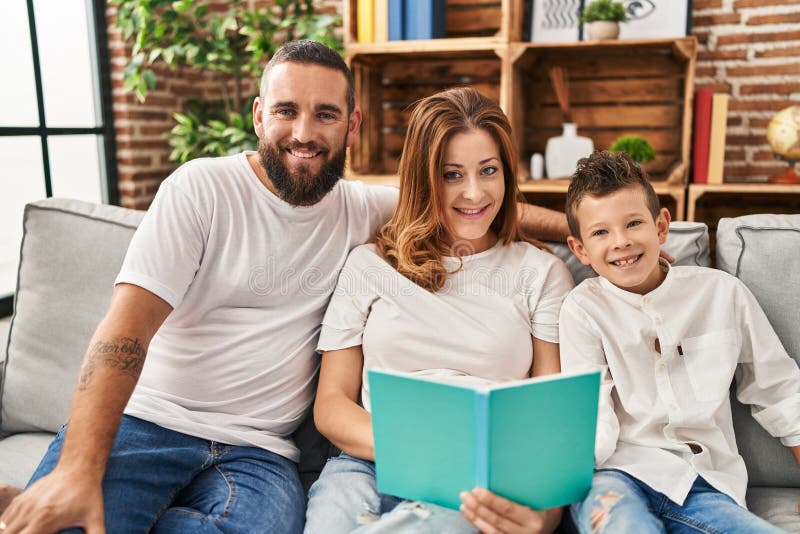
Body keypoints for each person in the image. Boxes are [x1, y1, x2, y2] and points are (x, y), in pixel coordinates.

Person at [0, 41, 568, 533]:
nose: (304, 133)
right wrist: (78, 468)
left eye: (325, 114)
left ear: (352, 124)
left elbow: (472, 203)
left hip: (259, 453)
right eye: (286, 111)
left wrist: (586, 231)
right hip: (150, 421)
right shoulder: (201, 189)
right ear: (258, 116)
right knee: (72, 517)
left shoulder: (361, 209)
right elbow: (123, 330)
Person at [303, 87, 573, 534]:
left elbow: (550, 419)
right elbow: (332, 405)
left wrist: (544, 516)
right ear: (423, 178)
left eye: (489, 170)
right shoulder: (369, 265)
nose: (473, 192)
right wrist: (419, 447)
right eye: (451, 174)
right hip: (369, 463)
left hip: (479, 477)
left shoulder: (540, 273)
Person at [558, 150, 800, 533]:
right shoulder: (582, 310)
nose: (620, 242)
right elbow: (591, 413)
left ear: (661, 226)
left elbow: (782, 391)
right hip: (615, 476)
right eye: (601, 232)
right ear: (580, 249)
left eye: (633, 223)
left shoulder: (723, 294)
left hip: (706, 485)